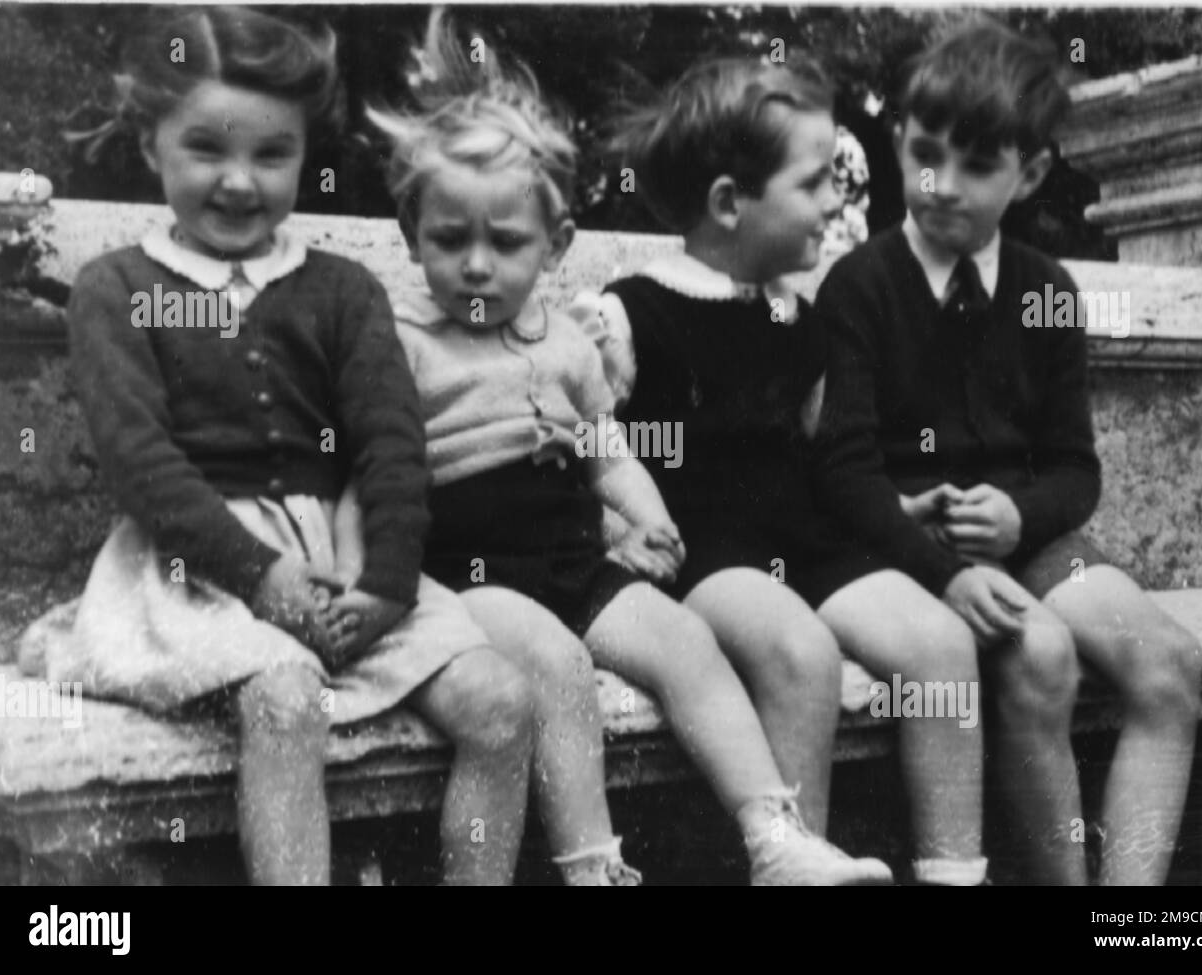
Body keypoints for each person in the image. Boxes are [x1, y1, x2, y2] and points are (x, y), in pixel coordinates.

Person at [360, 9, 892, 885]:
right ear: (414, 234)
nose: (478, 267)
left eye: (506, 242)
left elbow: (607, 447)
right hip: (473, 573)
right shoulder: (404, 343)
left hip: (575, 558)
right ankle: (594, 865)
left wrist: (644, 517)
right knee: (559, 665)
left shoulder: (568, 342)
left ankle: (774, 832)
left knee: (685, 640)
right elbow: (376, 470)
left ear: (556, 244)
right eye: (450, 241)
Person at [50, 5, 535, 885]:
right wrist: (259, 573)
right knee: (283, 699)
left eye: (271, 154)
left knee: (500, 700)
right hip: (190, 571)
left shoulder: (342, 290)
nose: (239, 181)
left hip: (343, 562)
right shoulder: (116, 288)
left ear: (304, 154)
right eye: (206, 148)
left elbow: (391, 441)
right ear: (151, 143)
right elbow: (141, 464)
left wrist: (386, 582)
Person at [578, 53, 988, 886]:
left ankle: (955, 875)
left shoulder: (801, 317)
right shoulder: (632, 314)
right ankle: (798, 867)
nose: (837, 202)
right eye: (813, 184)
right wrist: (619, 530)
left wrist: (896, 509)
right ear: (730, 202)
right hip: (706, 553)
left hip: (806, 540)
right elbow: (588, 444)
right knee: (802, 653)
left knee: (943, 645)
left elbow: (825, 457)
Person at [815, 17, 1202, 884]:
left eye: (978, 165)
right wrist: (941, 563)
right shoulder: (862, 287)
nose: (943, 185)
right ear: (898, 141)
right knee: (1040, 654)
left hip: (1028, 543)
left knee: (1169, 663)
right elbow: (842, 469)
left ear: (1028, 174)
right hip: (903, 548)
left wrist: (1020, 511)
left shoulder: (1045, 292)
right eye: (926, 154)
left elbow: (1076, 467)